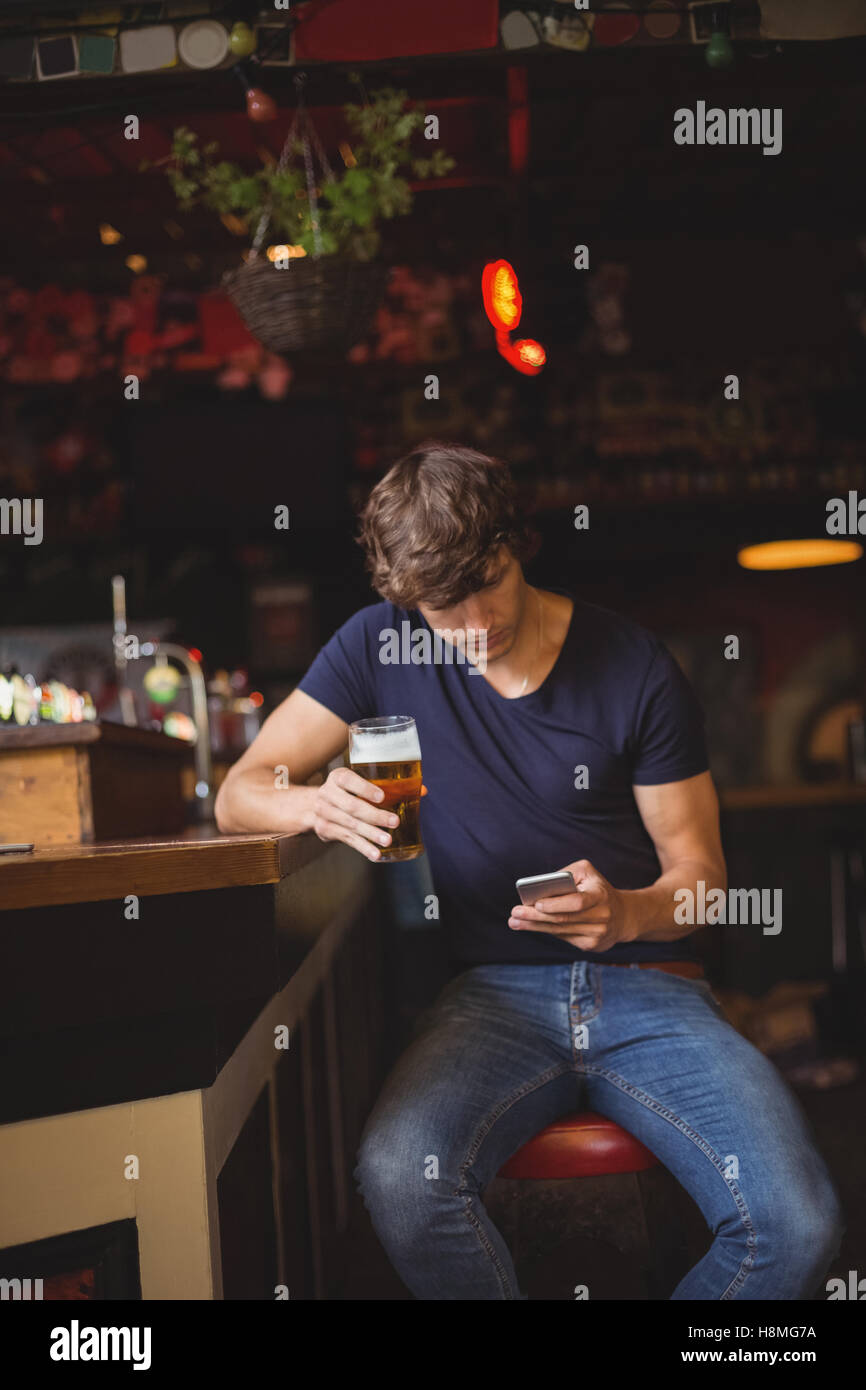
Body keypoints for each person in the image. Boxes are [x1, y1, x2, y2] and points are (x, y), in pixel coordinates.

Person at [215, 439, 844, 1300]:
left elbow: (703, 880)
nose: (475, 623)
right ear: (404, 602)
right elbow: (239, 791)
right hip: (493, 997)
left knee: (798, 1224)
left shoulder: (636, 667)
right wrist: (313, 804)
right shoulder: (377, 645)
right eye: (444, 607)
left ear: (517, 546)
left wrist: (626, 913)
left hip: (651, 987)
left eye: (490, 581)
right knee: (402, 1177)